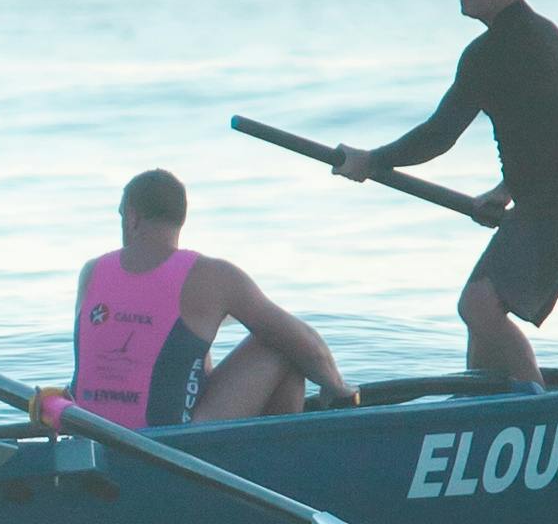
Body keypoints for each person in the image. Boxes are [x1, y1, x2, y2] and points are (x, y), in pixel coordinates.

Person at [337, 0, 558, 396]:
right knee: (481, 314)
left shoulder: (495, 51)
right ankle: (480, 405)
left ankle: (534, 413)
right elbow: (549, 132)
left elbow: (439, 135)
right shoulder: (545, 36)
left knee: (479, 306)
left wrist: (372, 161)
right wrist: (505, 191)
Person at [70, 169, 355, 426]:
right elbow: (309, 345)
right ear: (180, 220)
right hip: (174, 446)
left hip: (93, 437)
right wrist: (338, 391)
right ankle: (280, 462)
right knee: (282, 344)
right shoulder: (210, 275)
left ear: (131, 217)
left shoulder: (92, 272)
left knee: (190, 348)